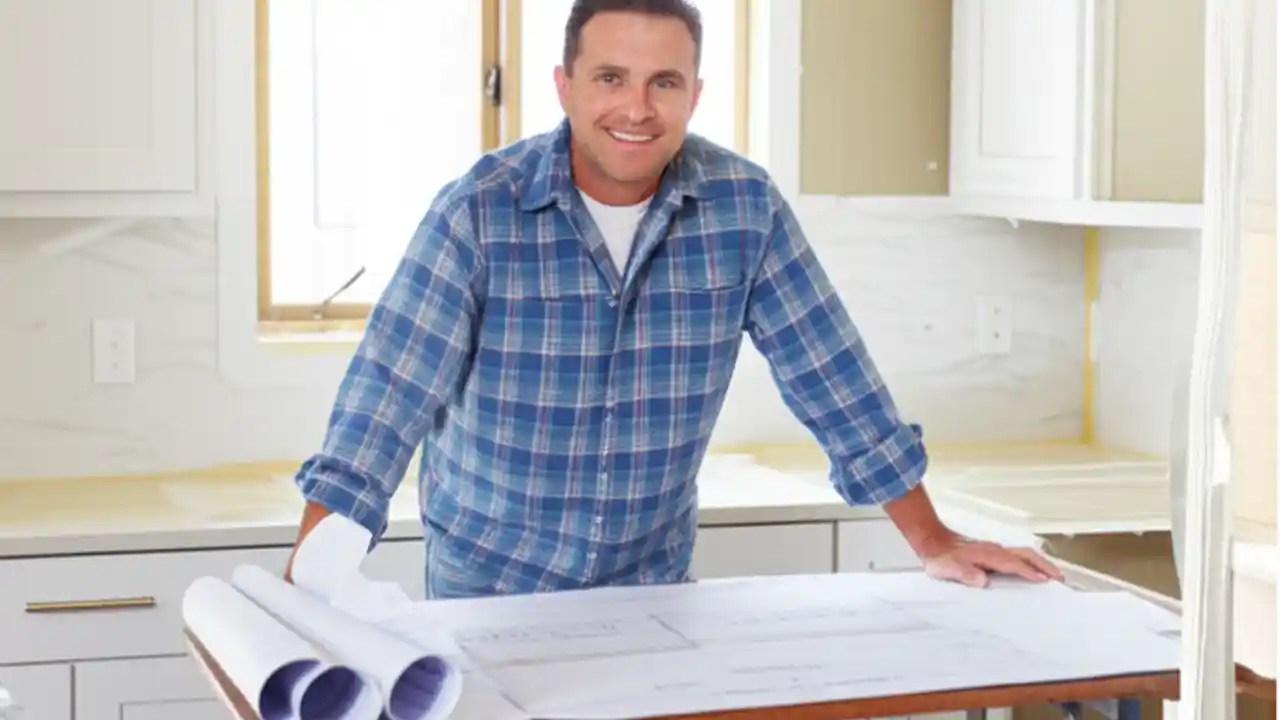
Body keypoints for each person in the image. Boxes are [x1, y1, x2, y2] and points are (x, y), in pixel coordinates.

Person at [285, 0, 1063, 599]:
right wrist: (302, 596)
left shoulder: (743, 208)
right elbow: (382, 405)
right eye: (610, 79)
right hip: (486, 593)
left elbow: (835, 380)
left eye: (664, 82)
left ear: (695, 92)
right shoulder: (478, 212)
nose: (637, 109)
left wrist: (933, 541)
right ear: (565, 86)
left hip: (651, 593)